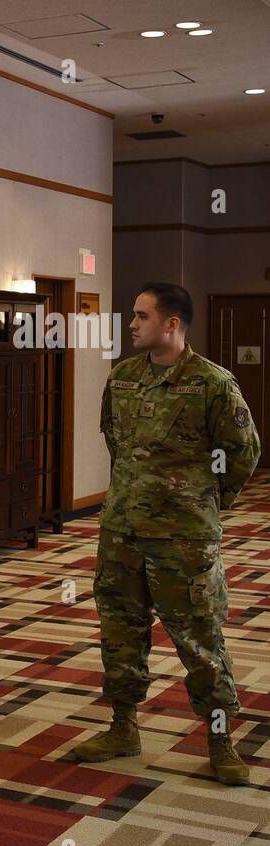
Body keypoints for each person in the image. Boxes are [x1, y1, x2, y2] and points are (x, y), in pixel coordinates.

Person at [77, 282, 260, 786]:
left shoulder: (212, 384)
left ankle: (221, 742)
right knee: (120, 633)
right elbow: (114, 439)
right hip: (122, 533)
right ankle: (122, 728)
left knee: (200, 640)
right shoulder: (123, 379)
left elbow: (242, 454)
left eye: (140, 316)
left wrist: (204, 502)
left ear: (171, 324)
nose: (131, 324)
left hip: (183, 539)